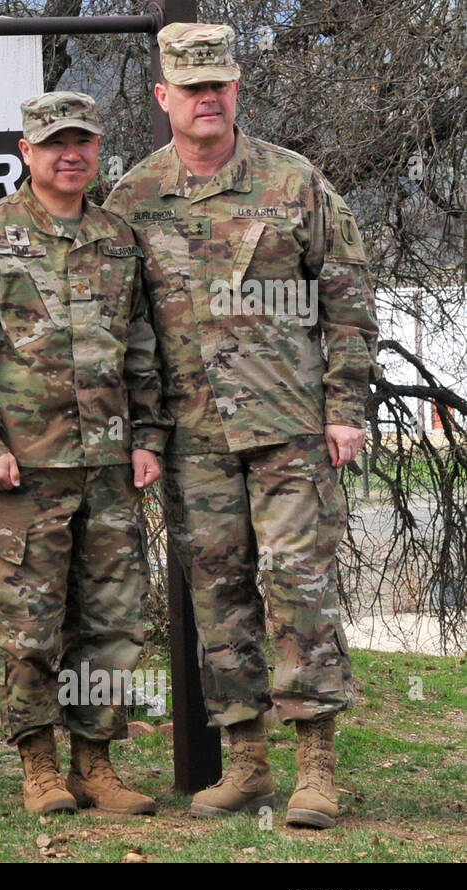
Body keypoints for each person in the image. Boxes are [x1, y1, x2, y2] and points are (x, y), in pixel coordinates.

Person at [104, 23, 379, 828]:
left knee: (297, 588)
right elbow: (127, 329)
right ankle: (248, 763)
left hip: (289, 428)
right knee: (219, 601)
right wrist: (143, 434)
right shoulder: (134, 198)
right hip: (195, 441)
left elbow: (349, 298)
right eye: (192, 89)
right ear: (164, 98)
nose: (208, 99)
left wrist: (346, 409)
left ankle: (317, 768)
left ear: (236, 91)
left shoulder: (295, 184)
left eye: (219, 85)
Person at [0, 92, 172, 816]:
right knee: (29, 625)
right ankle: (39, 766)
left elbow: (141, 349)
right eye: (55, 142)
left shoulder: (118, 238)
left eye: (83, 141)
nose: (71, 153)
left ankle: (95, 764)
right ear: (26, 151)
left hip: (107, 470)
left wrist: (147, 438)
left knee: (111, 623)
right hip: (23, 470)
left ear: (97, 150)